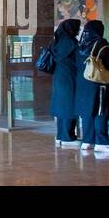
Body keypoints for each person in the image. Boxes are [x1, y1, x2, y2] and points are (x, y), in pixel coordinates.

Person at [75, 19, 109, 153]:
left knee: (88, 112)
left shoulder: (82, 43)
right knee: (101, 111)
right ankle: (102, 142)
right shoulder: (101, 43)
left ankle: (87, 141)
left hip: (84, 83)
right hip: (98, 83)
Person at [48, 18, 82, 147]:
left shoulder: (56, 43)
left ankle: (60, 135)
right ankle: (68, 137)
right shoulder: (72, 43)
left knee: (61, 106)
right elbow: (78, 61)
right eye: (77, 28)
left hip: (58, 78)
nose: (78, 31)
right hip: (70, 78)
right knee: (69, 106)